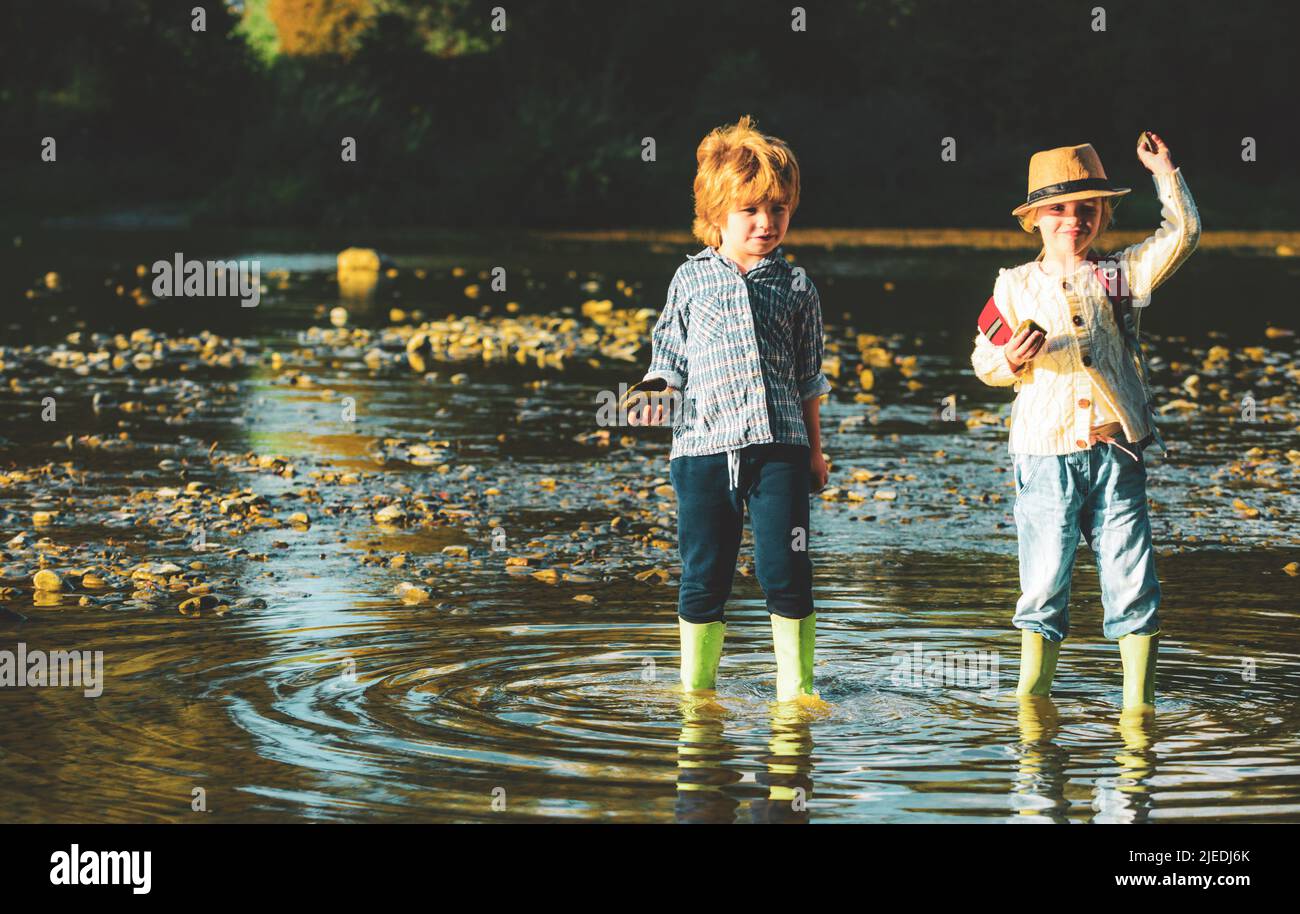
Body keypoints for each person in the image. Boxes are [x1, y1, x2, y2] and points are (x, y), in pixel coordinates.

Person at [970, 137, 1200, 714]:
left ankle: (1138, 705)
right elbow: (983, 362)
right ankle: (1031, 702)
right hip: (1043, 457)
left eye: (1087, 209)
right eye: (1058, 209)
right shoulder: (1013, 285)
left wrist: (1164, 173)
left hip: (1117, 452)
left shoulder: (1119, 277)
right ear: (1033, 219)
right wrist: (1012, 360)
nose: (1073, 219)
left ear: (1103, 216)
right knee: (1045, 582)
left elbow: (1184, 235)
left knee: (1131, 579)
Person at [635, 115, 831, 705]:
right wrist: (655, 391)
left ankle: (796, 694)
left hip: (781, 450)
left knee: (786, 570)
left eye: (778, 210)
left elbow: (808, 375)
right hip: (701, 450)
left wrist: (816, 450)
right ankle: (698, 694)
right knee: (704, 573)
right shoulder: (689, 280)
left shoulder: (796, 285)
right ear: (716, 214)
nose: (766, 224)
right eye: (750, 210)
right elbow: (668, 350)